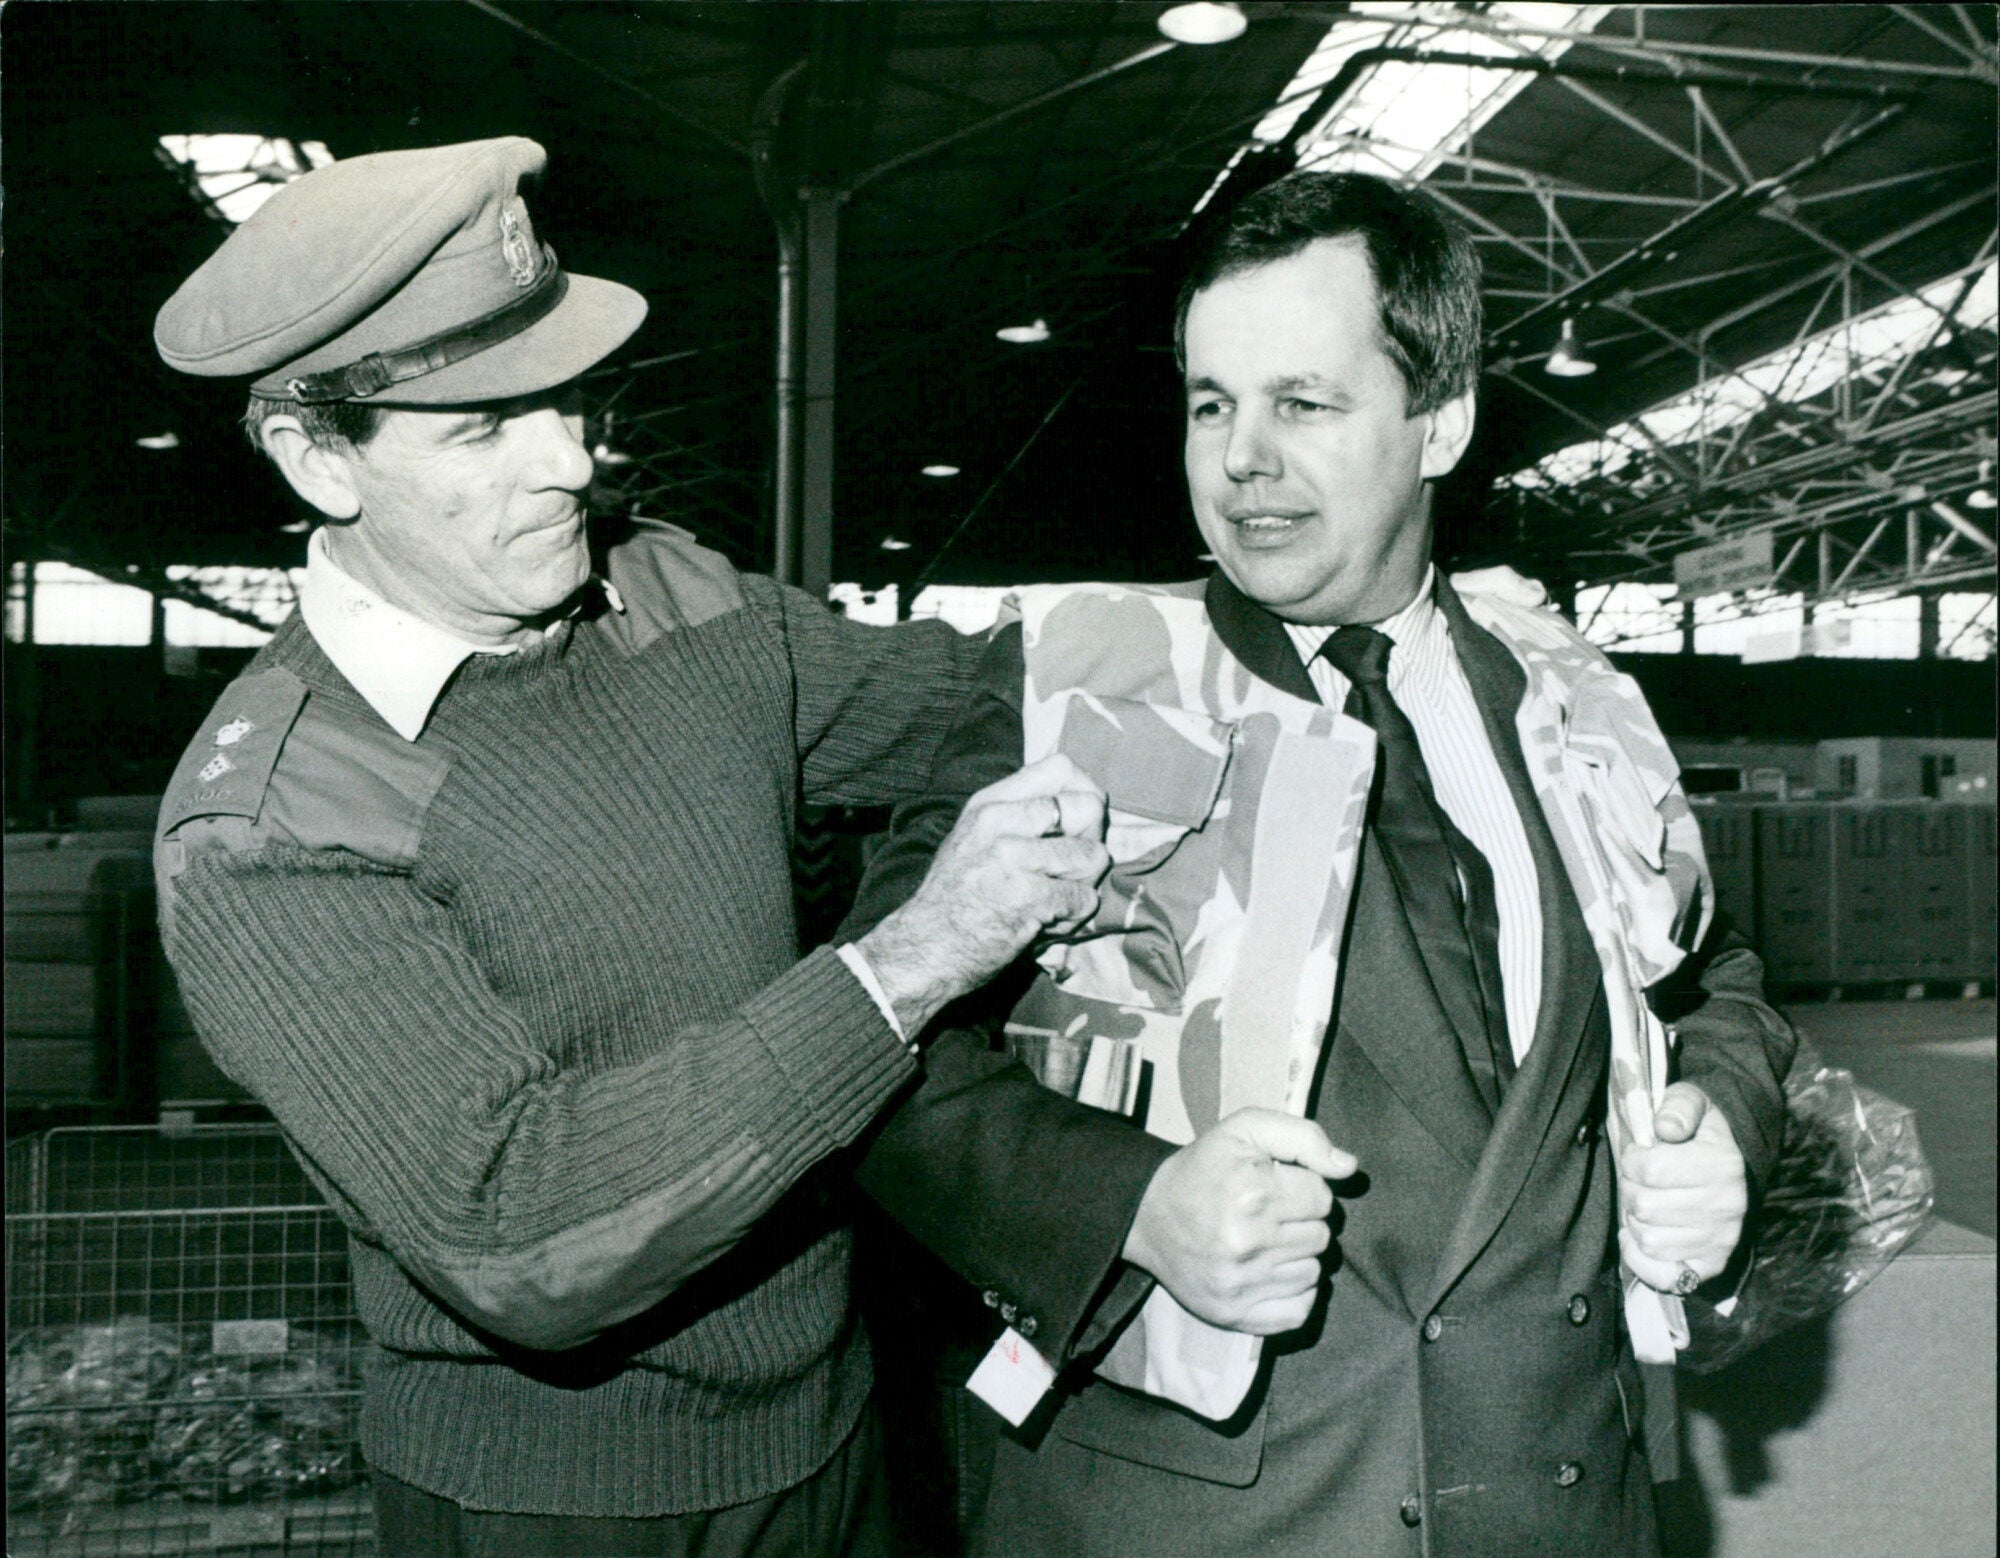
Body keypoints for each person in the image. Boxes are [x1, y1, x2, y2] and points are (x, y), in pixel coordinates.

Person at [149, 135, 1341, 1556]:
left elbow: (982, 701)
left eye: (569, 401)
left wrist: (1315, 604)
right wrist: (909, 957)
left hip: (832, 1436)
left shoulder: (670, 599)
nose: (570, 463)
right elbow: (523, 1230)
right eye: (481, 428)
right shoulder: (272, 820)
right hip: (550, 1504)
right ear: (315, 456)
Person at [844, 170, 1797, 1556]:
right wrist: (1134, 1206)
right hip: (1197, 1515)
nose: (1241, 459)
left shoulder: (1578, 697)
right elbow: (881, 1047)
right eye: (1210, 403)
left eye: (1303, 403)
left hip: (1559, 1497)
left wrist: (1724, 1120)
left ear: (1441, 419)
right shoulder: (1062, 687)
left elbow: (1711, 981)